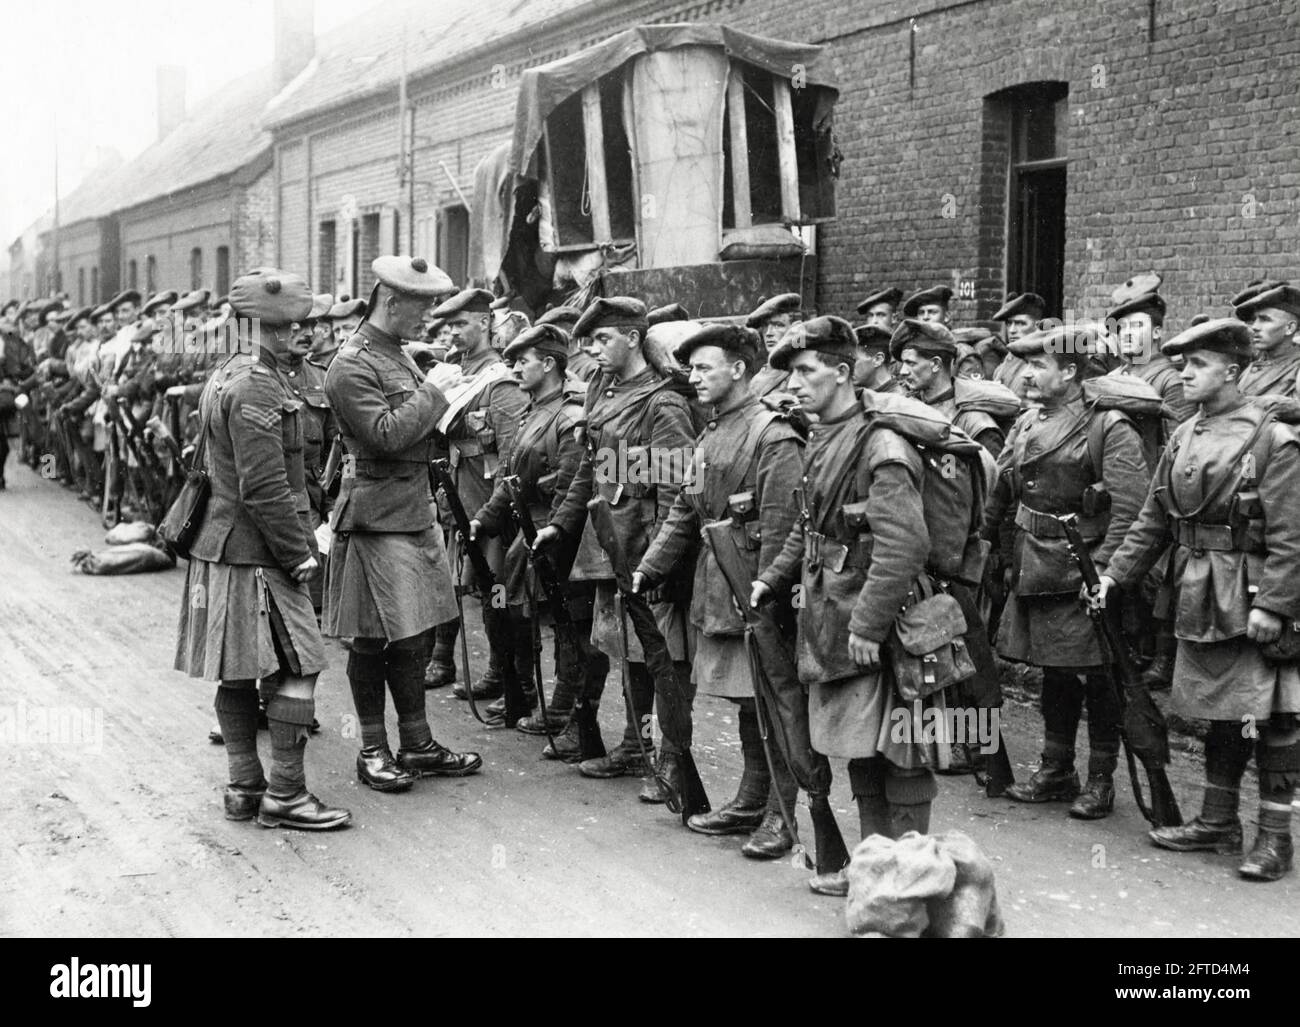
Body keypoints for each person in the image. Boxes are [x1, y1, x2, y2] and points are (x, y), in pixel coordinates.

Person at [1094, 317, 1300, 881]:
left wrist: (1275, 605)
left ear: (1232, 371)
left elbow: (1292, 534)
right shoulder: (1184, 434)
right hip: (1197, 593)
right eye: (1181, 364)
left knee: (1275, 719)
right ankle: (1216, 820)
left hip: (1252, 594)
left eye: (1197, 365)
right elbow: (1153, 518)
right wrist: (1116, 574)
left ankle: (1275, 838)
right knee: (1220, 713)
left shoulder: (1271, 437)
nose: (1184, 374)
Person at [750, 315, 940, 896]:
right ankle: (871, 867)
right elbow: (807, 532)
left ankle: (907, 882)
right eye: (791, 373)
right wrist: (773, 580)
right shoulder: (823, 437)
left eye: (808, 371)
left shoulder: (879, 444)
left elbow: (905, 542)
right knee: (858, 747)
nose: (796, 384)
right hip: (831, 616)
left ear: (842, 371)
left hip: (882, 623)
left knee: (901, 751)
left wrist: (869, 623)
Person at [174, 267, 350, 831]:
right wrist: (298, 553)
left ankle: (244, 787)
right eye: (293, 324)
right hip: (259, 551)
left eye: (308, 321)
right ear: (261, 326)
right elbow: (264, 485)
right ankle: (287, 794)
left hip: (227, 548)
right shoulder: (257, 385)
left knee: (238, 672)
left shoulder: (232, 372)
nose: (307, 331)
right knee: (301, 665)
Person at [636, 321, 805, 857]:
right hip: (720, 585)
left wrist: (766, 588)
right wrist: (650, 568)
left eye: (704, 367)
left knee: (775, 702)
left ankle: (783, 815)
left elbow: (783, 528)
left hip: (756, 591)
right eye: (690, 368)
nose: (694, 377)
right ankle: (751, 799)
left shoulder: (773, 434)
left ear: (738, 369)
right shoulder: (712, 430)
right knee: (746, 699)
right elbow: (685, 509)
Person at [324, 256, 481, 792]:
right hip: (375, 520)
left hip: (413, 513)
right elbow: (386, 435)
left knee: (413, 637)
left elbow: (416, 428)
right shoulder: (351, 365)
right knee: (372, 639)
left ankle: (416, 744)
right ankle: (372, 750)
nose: (431, 317)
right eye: (423, 307)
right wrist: (435, 392)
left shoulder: (396, 354)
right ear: (391, 303)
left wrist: (452, 407)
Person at [533, 297, 696, 796]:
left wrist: (659, 562)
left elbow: (678, 486)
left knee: (662, 654)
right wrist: (561, 524)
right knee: (627, 650)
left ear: (632, 336)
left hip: (647, 543)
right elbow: (589, 464)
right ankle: (634, 745)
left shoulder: (663, 400)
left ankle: (672, 759)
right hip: (609, 541)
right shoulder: (604, 388)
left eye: (603, 339)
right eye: (590, 341)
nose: (594, 350)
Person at [984, 324, 1149, 819]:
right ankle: (1057, 767)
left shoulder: (1108, 426)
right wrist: (991, 550)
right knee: (1054, 672)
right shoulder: (1028, 421)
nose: (1028, 375)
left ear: (1071, 371)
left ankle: (1100, 778)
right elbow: (1003, 492)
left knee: (1098, 676)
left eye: (1039, 366)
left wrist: (1104, 573)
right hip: (1035, 563)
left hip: (1084, 567)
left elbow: (1133, 508)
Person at [470, 323, 588, 734]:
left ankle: (562, 709)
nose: (515, 369)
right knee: (511, 611)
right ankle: (521, 690)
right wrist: (484, 518)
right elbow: (510, 480)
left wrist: (554, 530)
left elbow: (573, 485)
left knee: (564, 622)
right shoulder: (532, 411)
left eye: (523, 362)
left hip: (554, 535)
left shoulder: (570, 417)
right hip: (526, 533)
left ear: (550, 364)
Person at [425, 287, 528, 712]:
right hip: (456, 500)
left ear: (485, 323)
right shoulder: (452, 374)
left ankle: (506, 676)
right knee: (466, 586)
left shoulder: (499, 382)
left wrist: (498, 510)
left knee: (497, 591)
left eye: (462, 324)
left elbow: (510, 453)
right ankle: (489, 670)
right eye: (448, 326)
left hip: (489, 505)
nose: (453, 334)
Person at [893, 318, 1005, 456]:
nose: (902, 371)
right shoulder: (909, 407)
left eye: (911, 363)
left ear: (935, 364)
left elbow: (990, 475)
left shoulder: (976, 425)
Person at [1107, 288, 1193, 428]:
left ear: (1156, 333)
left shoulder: (1171, 381)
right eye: (1122, 327)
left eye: (1136, 326)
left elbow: (1179, 440)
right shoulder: (1115, 375)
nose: (1126, 333)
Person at [1234, 284, 1300, 398]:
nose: (1254, 326)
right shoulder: (1248, 362)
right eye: (1254, 320)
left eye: (1265, 320)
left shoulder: (1296, 369)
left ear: (1289, 328)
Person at [989, 292, 1046, 400]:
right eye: (1009, 323)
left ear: (1038, 326)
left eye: (1020, 323)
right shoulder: (1004, 364)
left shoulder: (1042, 364)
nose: (1012, 330)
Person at [747, 293, 803, 400]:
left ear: (794, 329)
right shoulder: (764, 371)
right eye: (765, 325)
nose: (768, 333)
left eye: (778, 325)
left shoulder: (798, 375)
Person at [852, 324, 902, 393]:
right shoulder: (860, 396)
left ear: (878, 359)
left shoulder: (899, 401)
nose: (848, 368)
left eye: (853, 360)